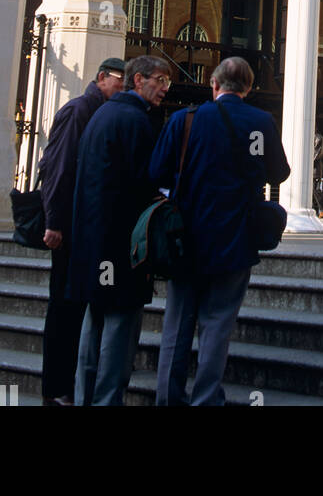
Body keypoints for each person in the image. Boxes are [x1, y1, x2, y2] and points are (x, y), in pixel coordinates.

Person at [149, 56, 289, 406]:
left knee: (177, 322)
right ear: (249, 88)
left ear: (214, 84)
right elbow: (279, 173)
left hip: (186, 235)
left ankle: (168, 396)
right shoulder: (260, 122)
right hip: (236, 236)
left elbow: (158, 173)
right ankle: (206, 397)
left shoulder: (185, 119)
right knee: (218, 323)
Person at [67, 54, 171, 405]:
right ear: (138, 80)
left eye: (166, 81)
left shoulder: (104, 114)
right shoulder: (135, 120)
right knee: (120, 327)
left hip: (94, 243)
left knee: (95, 321)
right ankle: (107, 400)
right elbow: (146, 180)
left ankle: (85, 397)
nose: (164, 89)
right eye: (159, 80)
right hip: (120, 244)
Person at [36, 55, 126, 405]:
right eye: (120, 78)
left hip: (83, 226)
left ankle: (66, 384)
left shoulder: (98, 110)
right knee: (63, 308)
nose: (123, 85)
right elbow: (57, 170)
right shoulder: (79, 110)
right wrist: (54, 222)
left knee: (74, 306)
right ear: (102, 77)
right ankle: (56, 388)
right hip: (68, 227)